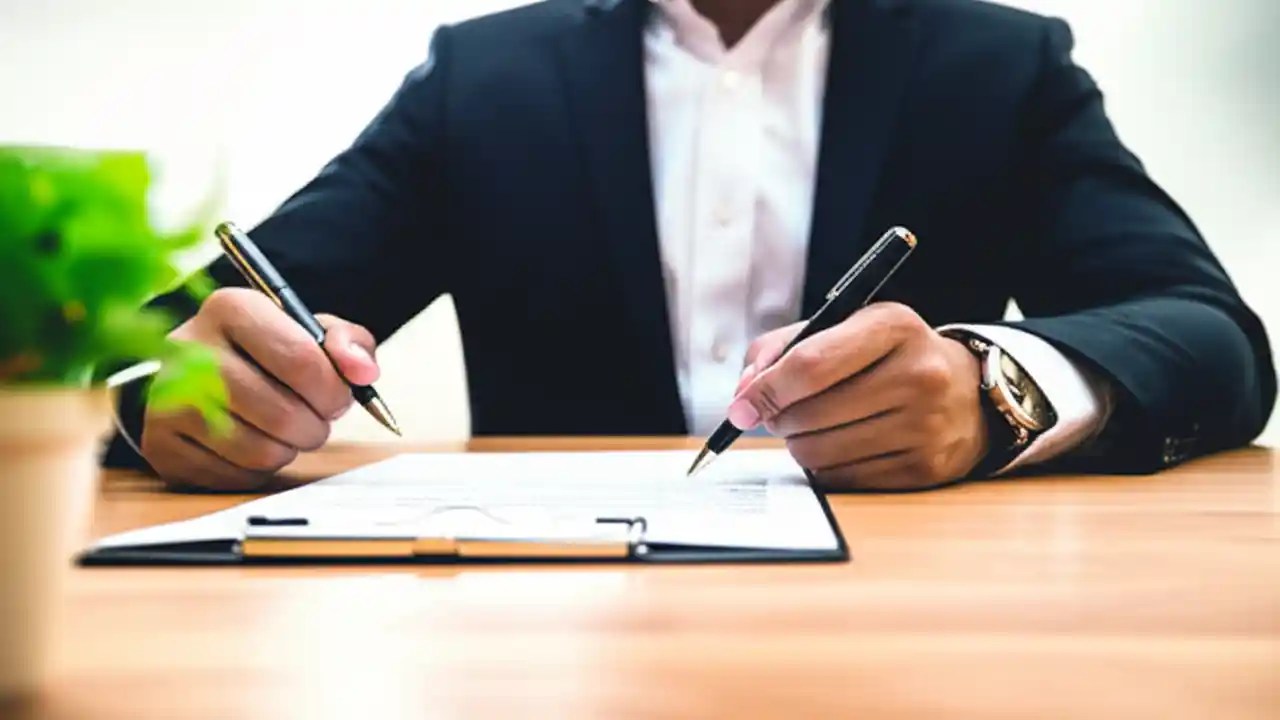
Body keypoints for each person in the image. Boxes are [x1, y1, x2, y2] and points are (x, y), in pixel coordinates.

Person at [104, 0, 1275, 492]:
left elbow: (1208, 337)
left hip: (915, 631)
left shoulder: (994, 64)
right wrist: (183, 389)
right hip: (544, 648)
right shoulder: (486, 78)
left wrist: (997, 390)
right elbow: (159, 347)